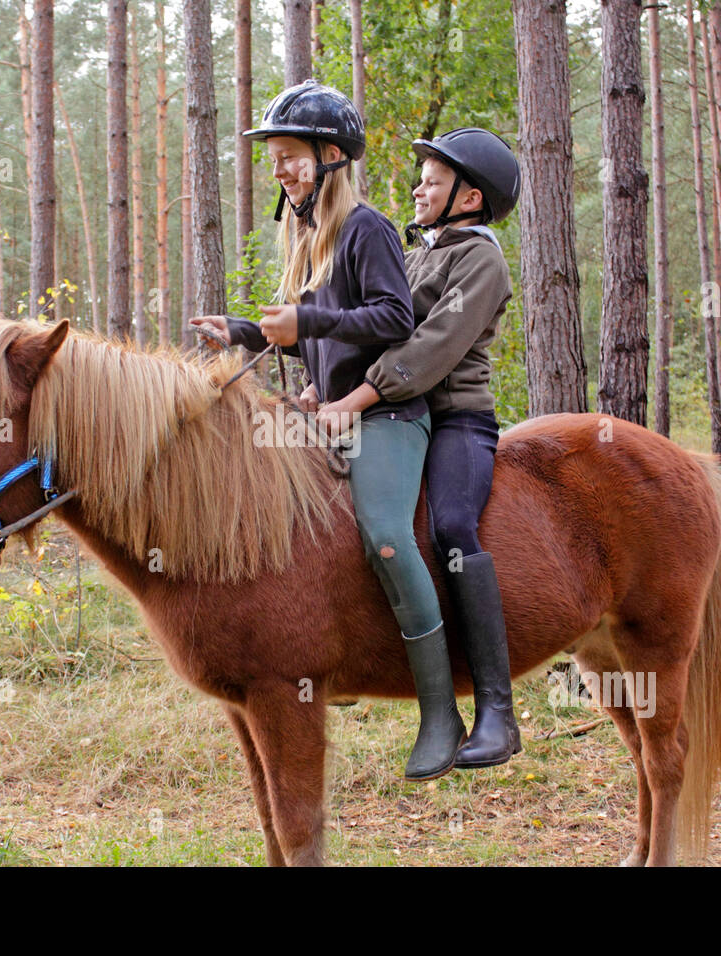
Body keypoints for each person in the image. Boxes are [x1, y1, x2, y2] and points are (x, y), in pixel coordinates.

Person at [190, 80, 465, 781]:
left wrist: (306, 321)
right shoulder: (308, 234)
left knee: (384, 532)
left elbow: (394, 318)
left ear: (331, 156)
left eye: (290, 156)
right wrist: (242, 330)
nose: (279, 170)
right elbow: (309, 338)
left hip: (387, 415)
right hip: (327, 416)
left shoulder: (365, 226)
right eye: (274, 158)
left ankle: (441, 712)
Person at [314, 128, 522, 768]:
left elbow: (432, 346)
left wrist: (356, 399)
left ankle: (496, 711)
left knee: (453, 527)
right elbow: (371, 327)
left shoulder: (481, 260)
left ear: (468, 197)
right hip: (397, 416)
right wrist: (318, 384)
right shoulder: (417, 254)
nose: (418, 190)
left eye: (432, 181)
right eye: (421, 179)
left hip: (456, 417)